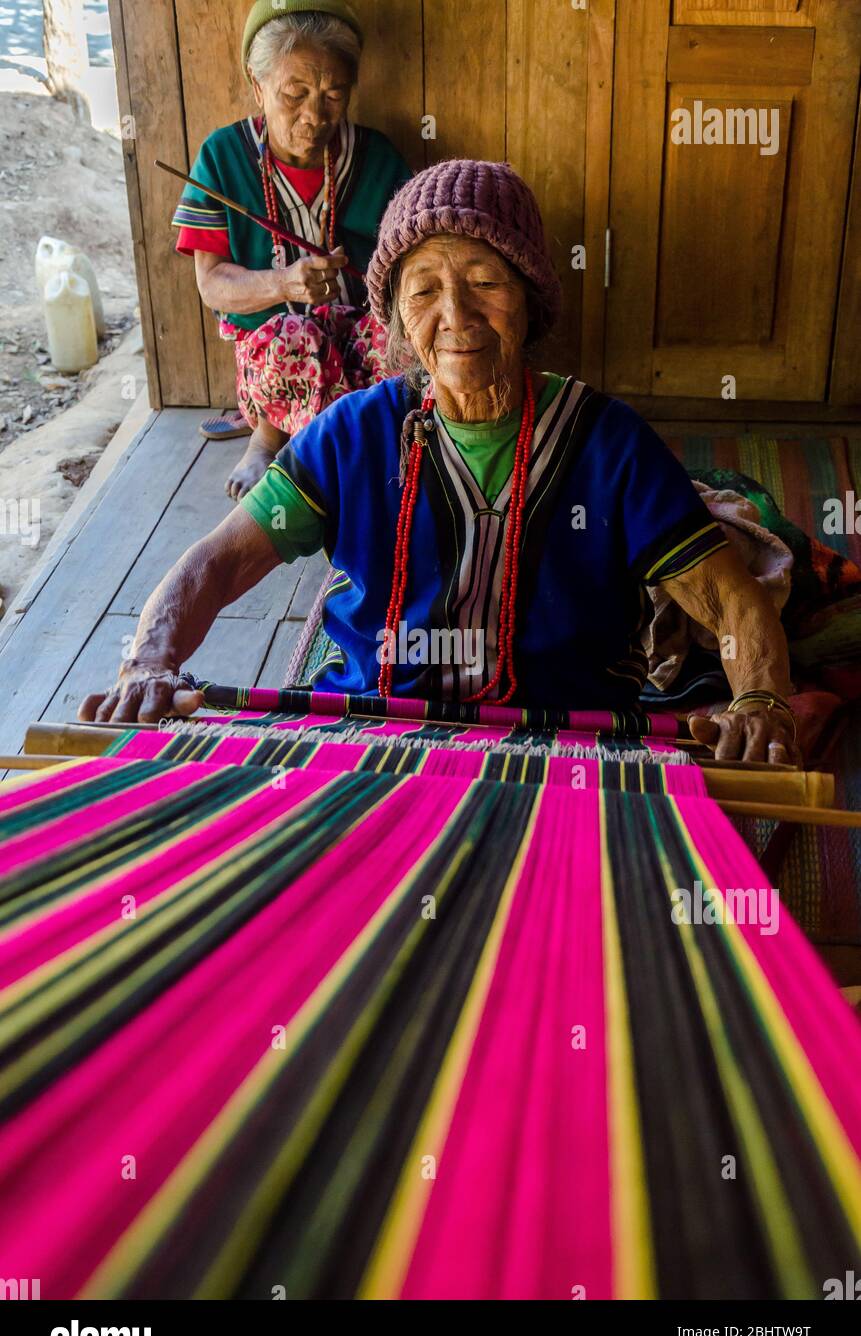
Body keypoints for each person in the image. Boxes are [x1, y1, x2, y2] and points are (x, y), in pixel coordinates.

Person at [83, 159, 799, 764]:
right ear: (395, 317)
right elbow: (217, 562)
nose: (454, 314)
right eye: (423, 290)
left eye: (484, 282)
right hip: (366, 735)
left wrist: (759, 698)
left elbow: (726, 597)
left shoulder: (606, 444)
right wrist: (148, 661)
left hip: (566, 750)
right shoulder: (353, 436)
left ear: (529, 301)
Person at [173, 0, 413, 498]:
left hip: (356, 342)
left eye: (332, 95)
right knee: (294, 336)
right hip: (275, 351)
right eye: (294, 93)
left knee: (405, 345)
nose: (313, 115)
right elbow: (212, 284)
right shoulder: (222, 156)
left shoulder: (376, 155)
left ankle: (332, 448)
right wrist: (283, 283)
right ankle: (268, 438)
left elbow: (413, 258)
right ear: (257, 86)